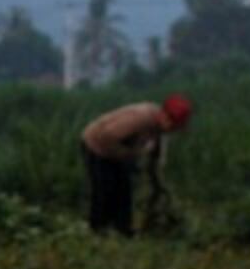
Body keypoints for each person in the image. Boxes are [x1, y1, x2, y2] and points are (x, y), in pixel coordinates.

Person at [79, 93, 191, 234]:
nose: (173, 129)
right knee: (104, 187)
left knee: (124, 189)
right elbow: (107, 136)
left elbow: (156, 155)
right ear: (164, 115)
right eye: (173, 124)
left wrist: (158, 183)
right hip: (97, 144)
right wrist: (129, 155)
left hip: (121, 147)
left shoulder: (160, 127)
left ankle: (123, 228)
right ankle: (98, 228)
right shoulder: (140, 119)